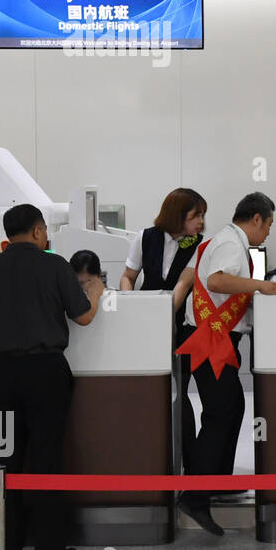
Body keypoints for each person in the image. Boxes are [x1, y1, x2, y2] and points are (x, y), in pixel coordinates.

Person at [0, 204, 104, 550]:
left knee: (6, 456)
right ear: (39, 231)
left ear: (8, 234)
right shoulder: (55, 265)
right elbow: (83, 316)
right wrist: (97, 292)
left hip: (3, 373)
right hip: (46, 371)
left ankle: (6, 546)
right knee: (46, 455)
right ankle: (48, 549)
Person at [175, 192, 276, 536]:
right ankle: (195, 496)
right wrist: (264, 287)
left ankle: (215, 482)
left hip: (214, 338)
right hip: (212, 340)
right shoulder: (232, 244)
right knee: (222, 412)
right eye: (270, 224)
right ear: (257, 218)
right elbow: (218, 281)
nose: (268, 234)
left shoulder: (224, 240)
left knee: (228, 411)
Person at [120, 188, 208, 472]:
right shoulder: (145, 237)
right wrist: (131, 302)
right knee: (150, 389)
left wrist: (155, 315)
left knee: (179, 391)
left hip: (181, 327)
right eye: (197, 216)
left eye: (203, 216)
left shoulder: (199, 245)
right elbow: (128, 276)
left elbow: (183, 286)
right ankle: (150, 452)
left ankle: (189, 460)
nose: (201, 223)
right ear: (177, 215)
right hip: (146, 325)